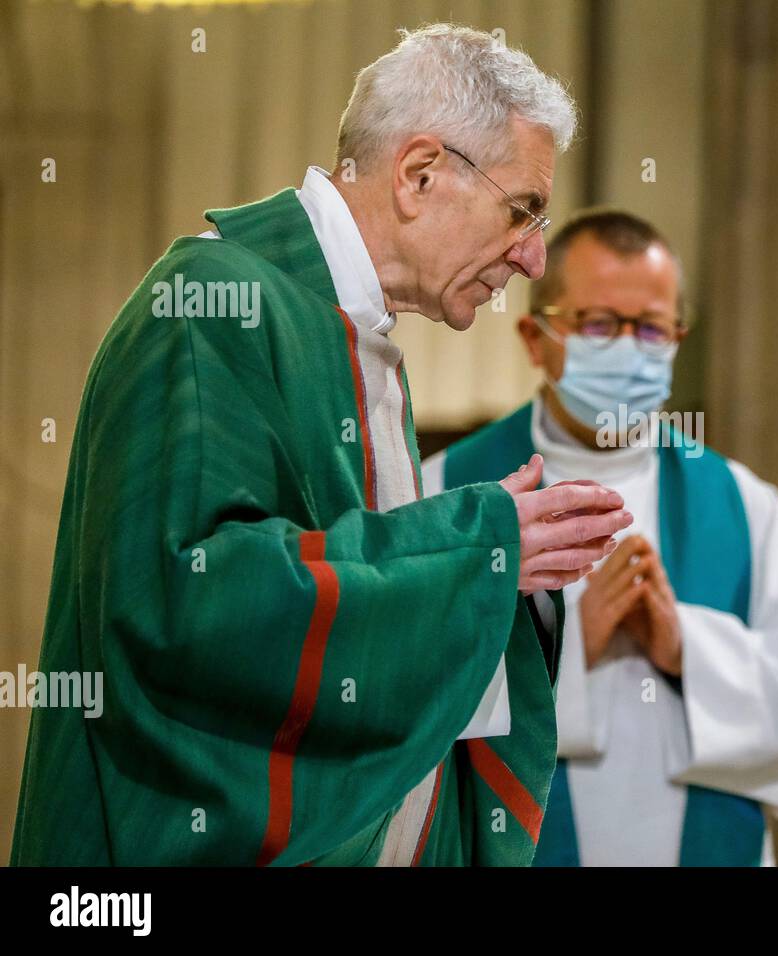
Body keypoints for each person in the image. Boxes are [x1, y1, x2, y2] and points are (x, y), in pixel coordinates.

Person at [10, 23, 633, 867]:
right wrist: (472, 553)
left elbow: (349, 597)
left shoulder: (355, 340)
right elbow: (184, 608)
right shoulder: (209, 301)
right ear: (419, 175)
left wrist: (503, 577)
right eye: (522, 210)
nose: (532, 256)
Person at [423, 210, 778, 866]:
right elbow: (395, 694)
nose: (629, 348)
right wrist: (572, 645)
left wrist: (687, 646)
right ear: (534, 337)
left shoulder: (745, 506)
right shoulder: (445, 493)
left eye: (652, 329)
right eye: (601, 325)